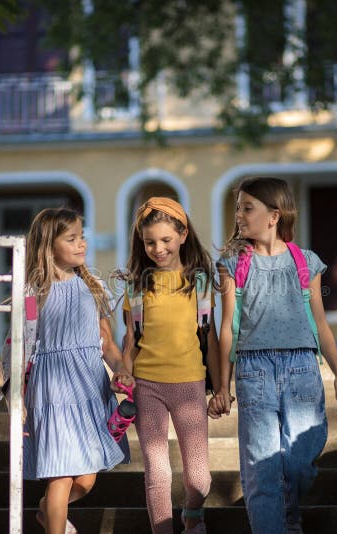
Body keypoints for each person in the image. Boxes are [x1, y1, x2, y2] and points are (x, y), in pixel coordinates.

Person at [209, 177, 337, 534]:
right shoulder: (232, 263)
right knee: (262, 468)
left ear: (274, 215)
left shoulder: (306, 262)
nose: (239, 215)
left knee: (300, 459)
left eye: (247, 207)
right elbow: (227, 326)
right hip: (254, 370)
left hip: (302, 367)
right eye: (238, 207)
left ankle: (289, 513)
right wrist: (222, 385)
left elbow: (319, 321)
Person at [11, 208, 134, 534]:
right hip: (53, 390)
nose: (82, 243)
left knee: (86, 478)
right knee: (61, 476)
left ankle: (46, 510)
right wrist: (14, 392)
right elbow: (22, 343)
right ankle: (54, 522)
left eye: (82, 236)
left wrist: (121, 369)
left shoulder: (91, 288)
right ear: (49, 246)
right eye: (72, 238)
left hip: (90, 388)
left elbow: (106, 343)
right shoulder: (34, 293)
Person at [120, 197, 220, 534]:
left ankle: (193, 513)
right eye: (150, 242)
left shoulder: (201, 284)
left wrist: (222, 389)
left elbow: (211, 339)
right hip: (147, 387)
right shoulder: (137, 287)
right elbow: (131, 341)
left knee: (199, 480)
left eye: (165, 240)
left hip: (190, 386)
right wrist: (123, 370)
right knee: (158, 474)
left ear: (183, 234)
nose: (158, 248)